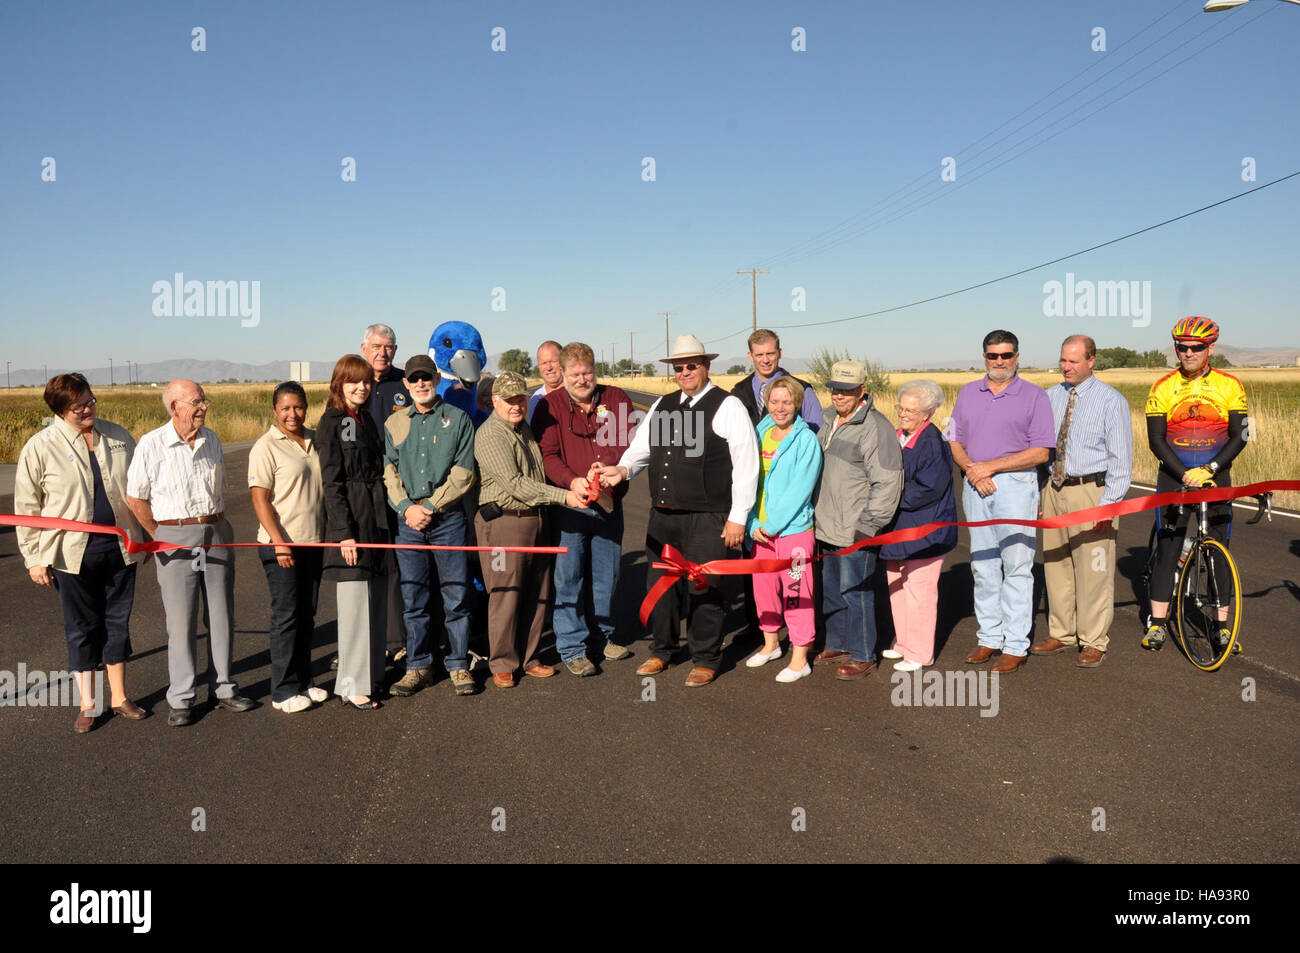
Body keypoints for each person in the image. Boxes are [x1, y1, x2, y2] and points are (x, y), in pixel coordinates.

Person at [598, 334, 759, 688]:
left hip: (708, 516)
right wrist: (623, 470)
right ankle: (662, 649)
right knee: (662, 586)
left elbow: (746, 465)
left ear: (706, 366)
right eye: (679, 367)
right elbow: (641, 449)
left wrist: (738, 517)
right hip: (664, 516)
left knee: (705, 587)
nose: (685, 372)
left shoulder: (727, 405)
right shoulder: (662, 405)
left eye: (691, 366)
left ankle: (705, 658)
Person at [15, 374, 148, 732]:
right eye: (79, 407)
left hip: (121, 548)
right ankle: (89, 705)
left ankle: (119, 698)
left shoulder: (119, 436)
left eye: (91, 401)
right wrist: (34, 558)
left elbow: (139, 488)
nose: (88, 409)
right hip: (70, 555)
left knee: (117, 624)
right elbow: (27, 507)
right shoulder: (40, 446)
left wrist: (148, 535)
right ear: (60, 411)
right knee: (82, 628)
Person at [126, 380, 253, 726]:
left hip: (215, 530)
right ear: (174, 408)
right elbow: (135, 496)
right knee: (180, 620)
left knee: (221, 613)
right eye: (196, 402)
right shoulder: (151, 444)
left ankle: (224, 688)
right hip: (173, 534)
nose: (203, 408)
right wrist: (157, 534)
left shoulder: (212, 439)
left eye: (204, 401)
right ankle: (181, 697)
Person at [948, 330, 1055, 674]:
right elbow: (955, 440)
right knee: (982, 566)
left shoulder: (1034, 396)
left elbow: (1041, 451)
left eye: (1006, 355)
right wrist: (972, 471)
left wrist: (990, 467)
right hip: (975, 484)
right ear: (984, 358)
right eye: (993, 356)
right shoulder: (968, 393)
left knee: (1017, 567)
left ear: (1017, 357)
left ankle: (1015, 644)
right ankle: (989, 637)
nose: (999, 362)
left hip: (1014, 486)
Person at [1141, 316, 1247, 653]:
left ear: (1210, 348)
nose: (1188, 353)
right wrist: (1185, 473)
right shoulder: (1162, 386)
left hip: (1217, 476)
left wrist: (1212, 467)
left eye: (1196, 347)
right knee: (1169, 548)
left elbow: (1241, 435)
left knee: (1218, 551)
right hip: (1174, 476)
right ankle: (1157, 623)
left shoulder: (1231, 385)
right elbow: (1156, 441)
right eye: (1181, 347)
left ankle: (1220, 627)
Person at [474, 372, 585, 687]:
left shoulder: (524, 430)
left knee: (537, 592)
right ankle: (503, 663)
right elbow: (516, 484)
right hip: (504, 523)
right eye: (508, 399)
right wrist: (564, 495)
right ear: (494, 401)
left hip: (536, 519)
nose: (515, 405)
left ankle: (530, 657)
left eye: (520, 398)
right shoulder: (491, 434)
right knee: (506, 594)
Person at [533, 342, 636, 675]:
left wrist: (606, 470)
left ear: (595, 370)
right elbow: (547, 456)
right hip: (571, 507)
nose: (582, 379)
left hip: (609, 502)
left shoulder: (617, 399)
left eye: (587, 372)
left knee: (607, 574)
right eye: (574, 374)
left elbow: (626, 444)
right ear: (562, 374)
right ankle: (572, 646)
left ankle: (604, 636)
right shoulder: (549, 406)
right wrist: (574, 481)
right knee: (570, 577)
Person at [1031, 336, 1133, 669]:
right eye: (1063, 360)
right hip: (1055, 488)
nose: (1066, 367)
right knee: (1056, 565)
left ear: (1092, 361)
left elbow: (1121, 460)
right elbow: (1044, 451)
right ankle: (1062, 632)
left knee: (1093, 570)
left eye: (1074, 361)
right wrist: (1042, 493)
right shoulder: (1049, 397)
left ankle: (1093, 641)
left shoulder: (1110, 401)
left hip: (1091, 492)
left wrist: (1109, 504)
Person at [384, 355, 478, 697]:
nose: (421, 384)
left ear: (437, 379)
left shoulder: (458, 419)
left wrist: (432, 506)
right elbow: (389, 471)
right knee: (414, 598)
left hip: (448, 519)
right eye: (415, 379)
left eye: (427, 378)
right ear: (406, 384)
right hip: (408, 523)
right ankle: (417, 666)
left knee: (455, 595)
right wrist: (408, 508)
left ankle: (458, 665)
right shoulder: (395, 423)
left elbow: (463, 471)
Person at [811, 360, 902, 680]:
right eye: (835, 388)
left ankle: (863, 653)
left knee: (856, 591)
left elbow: (888, 480)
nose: (839, 395)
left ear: (862, 390)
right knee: (832, 589)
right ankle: (837, 643)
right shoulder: (826, 420)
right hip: (826, 524)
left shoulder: (876, 427)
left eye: (847, 390)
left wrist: (869, 525)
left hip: (856, 527)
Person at [248, 381, 329, 713]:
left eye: (297, 407)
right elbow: (259, 499)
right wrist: (280, 543)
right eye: (285, 408)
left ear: (306, 407)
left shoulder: (315, 440)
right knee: (286, 618)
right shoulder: (266, 446)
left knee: (307, 616)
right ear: (275, 411)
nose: (292, 414)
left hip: (313, 542)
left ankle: (305, 681)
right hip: (281, 546)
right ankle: (282, 690)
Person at [317, 355, 390, 710]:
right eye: (353, 382)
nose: (361, 387)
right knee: (354, 607)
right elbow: (332, 483)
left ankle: (372, 676)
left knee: (376, 604)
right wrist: (344, 533)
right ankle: (351, 684)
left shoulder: (365, 421)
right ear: (339, 384)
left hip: (376, 519)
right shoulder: (332, 422)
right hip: (351, 522)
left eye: (365, 382)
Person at [745, 376, 823, 682]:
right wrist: (752, 522)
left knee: (796, 594)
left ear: (797, 404)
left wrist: (772, 526)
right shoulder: (760, 432)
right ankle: (771, 644)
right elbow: (750, 481)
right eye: (774, 402)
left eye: (787, 402)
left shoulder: (806, 440)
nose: (780, 408)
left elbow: (799, 490)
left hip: (792, 532)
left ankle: (800, 657)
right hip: (759, 531)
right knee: (764, 592)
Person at [879, 379, 957, 672]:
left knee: (920, 592)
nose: (903, 413)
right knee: (897, 586)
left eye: (911, 410)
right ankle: (903, 643)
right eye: (901, 408)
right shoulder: (898, 435)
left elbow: (929, 488)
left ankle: (921, 652)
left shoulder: (932, 442)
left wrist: (888, 496)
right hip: (897, 528)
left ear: (927, 413)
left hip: (925, 530)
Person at [360, 323, 410, 664]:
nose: (383, 352)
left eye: (389, 347)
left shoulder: (405, 382)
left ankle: (397, 639)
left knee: (397, 564)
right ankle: (362, 640)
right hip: (364, 488)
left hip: (400, 488)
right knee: (364, 563)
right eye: (377, 346)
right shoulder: (353, 383)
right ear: (364, 348)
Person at [730, 329, 824, 432]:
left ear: (780, 353)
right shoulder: (738, 392)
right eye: (759, 355)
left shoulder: (802, 389)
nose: (765, 360)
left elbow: (817, 433)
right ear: (750, 356)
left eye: (770, 354)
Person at [526, 340, 565, 422]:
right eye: (543, 363)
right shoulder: (536, 400)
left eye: (553, 361)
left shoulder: (578, 394)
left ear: (564, 361)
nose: (549, 368)